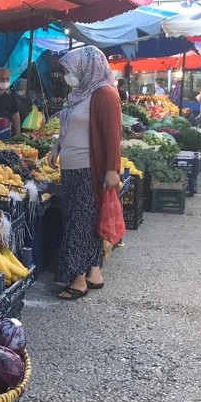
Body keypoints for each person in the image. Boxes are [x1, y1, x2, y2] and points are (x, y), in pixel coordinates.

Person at [46, 46, 122, 300]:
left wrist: (113, 169)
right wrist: (56, 147)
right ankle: (94, 272)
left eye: (71, 68)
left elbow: (113, 134)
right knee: (86, 221)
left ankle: (77, 280)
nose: (68, 73)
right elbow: (67, 128)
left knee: (78, 223)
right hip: (71, 168)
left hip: (90, 169)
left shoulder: (105, 94)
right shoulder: (79, 94)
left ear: (88, 67)